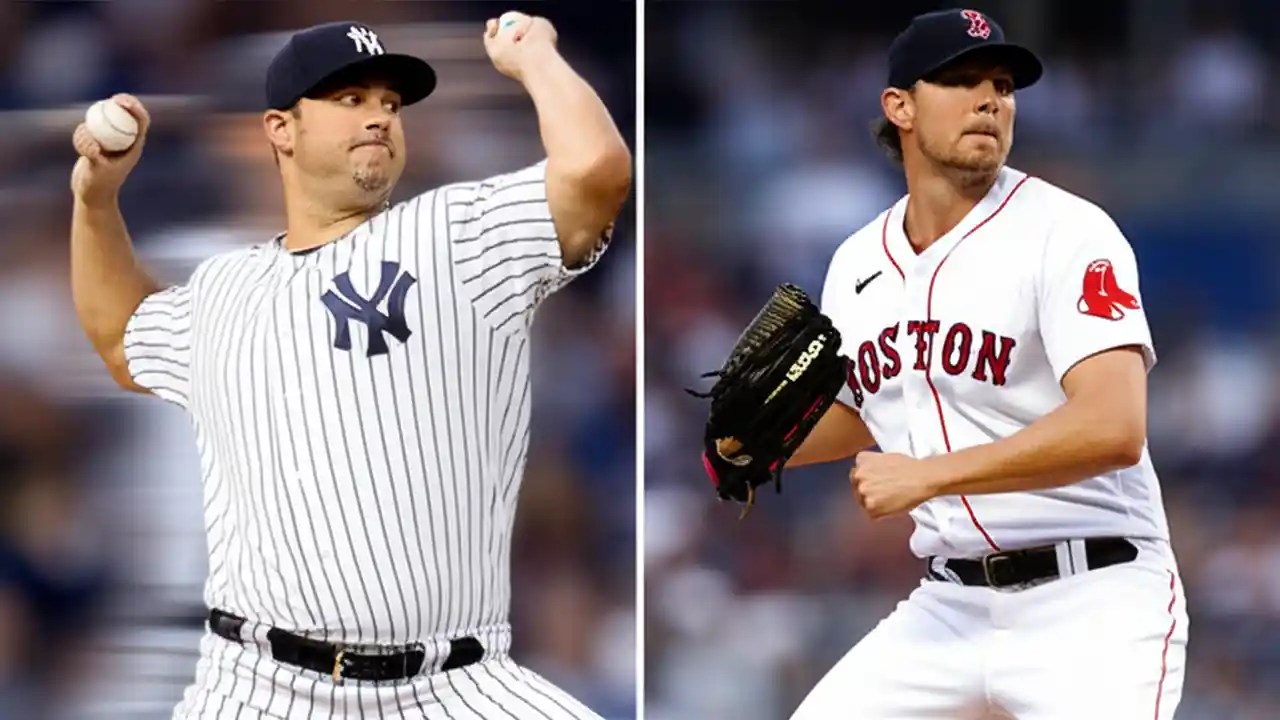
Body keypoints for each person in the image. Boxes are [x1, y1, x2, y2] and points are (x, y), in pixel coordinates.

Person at [69, 15, 629, 719]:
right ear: (281, 129)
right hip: (257, 686)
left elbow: (595, 173)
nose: (378, 117)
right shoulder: (223, 287)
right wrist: (94, 200)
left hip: (453, 683)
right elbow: (121, 339)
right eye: (349, 99)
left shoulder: (453, 236)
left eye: (390, 104)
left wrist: (537, 57)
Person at [786, 10, 1187, 718]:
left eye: (1001, 84)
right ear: (899, 107)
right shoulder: (856, 262)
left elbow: (1114, 426)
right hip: (951, 605)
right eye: (960, 79)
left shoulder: (1067, 230)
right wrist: (747, 448)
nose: (989, 99)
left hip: (1096, 596)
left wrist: (927, 475)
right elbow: (868, 409)